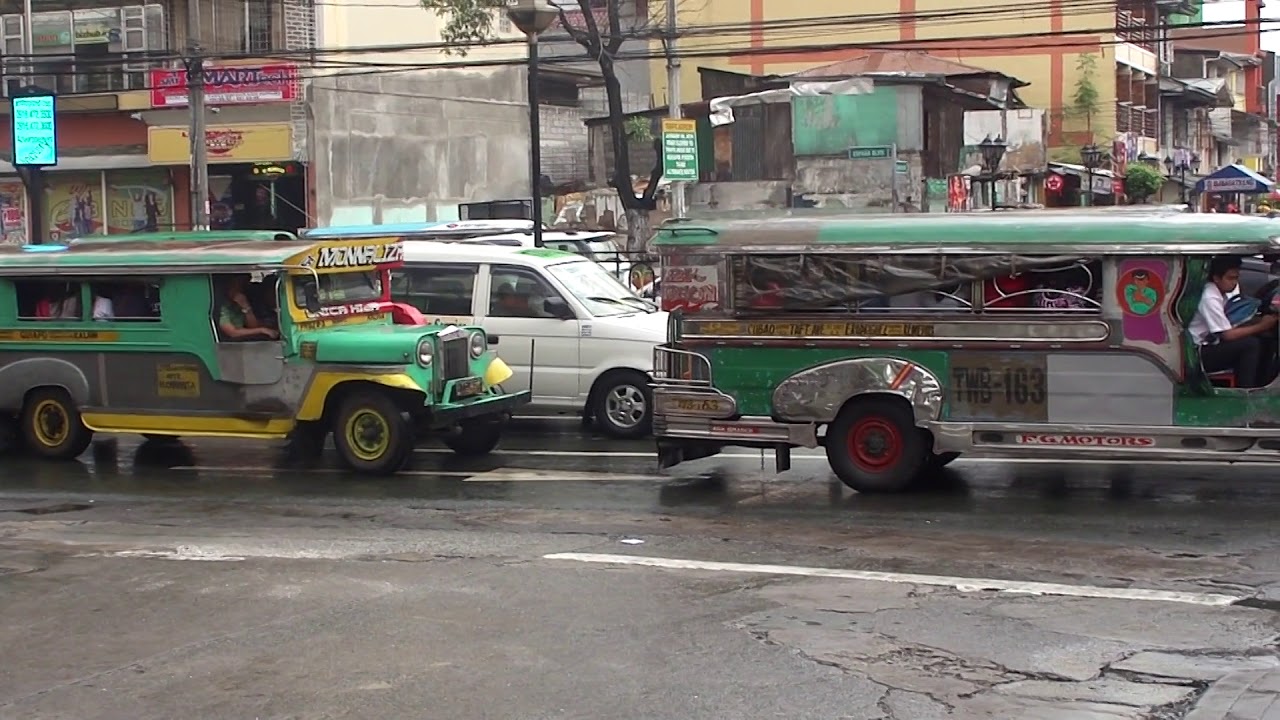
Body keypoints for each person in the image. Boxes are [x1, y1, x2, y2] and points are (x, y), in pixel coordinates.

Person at [1189, 256, 1278, 388]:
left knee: (1261, 340)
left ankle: (1261, 383)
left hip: (1211, 343)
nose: (1234, 283)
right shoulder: (1210, 297)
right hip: (1198, 353)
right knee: (1250, 344)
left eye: (1236, 278)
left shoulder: (1220, 293)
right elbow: (1227, 335)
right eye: (1230, 278)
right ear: (1216, 278)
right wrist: (1262, 326)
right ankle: (1246, 390)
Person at [216, 274, 279, 341]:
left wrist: (246, 308)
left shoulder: (240, 303)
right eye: (240, 284)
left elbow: (253, 326)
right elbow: (232, 333)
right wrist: (262, 330)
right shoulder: (221, 305)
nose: (242, 288)